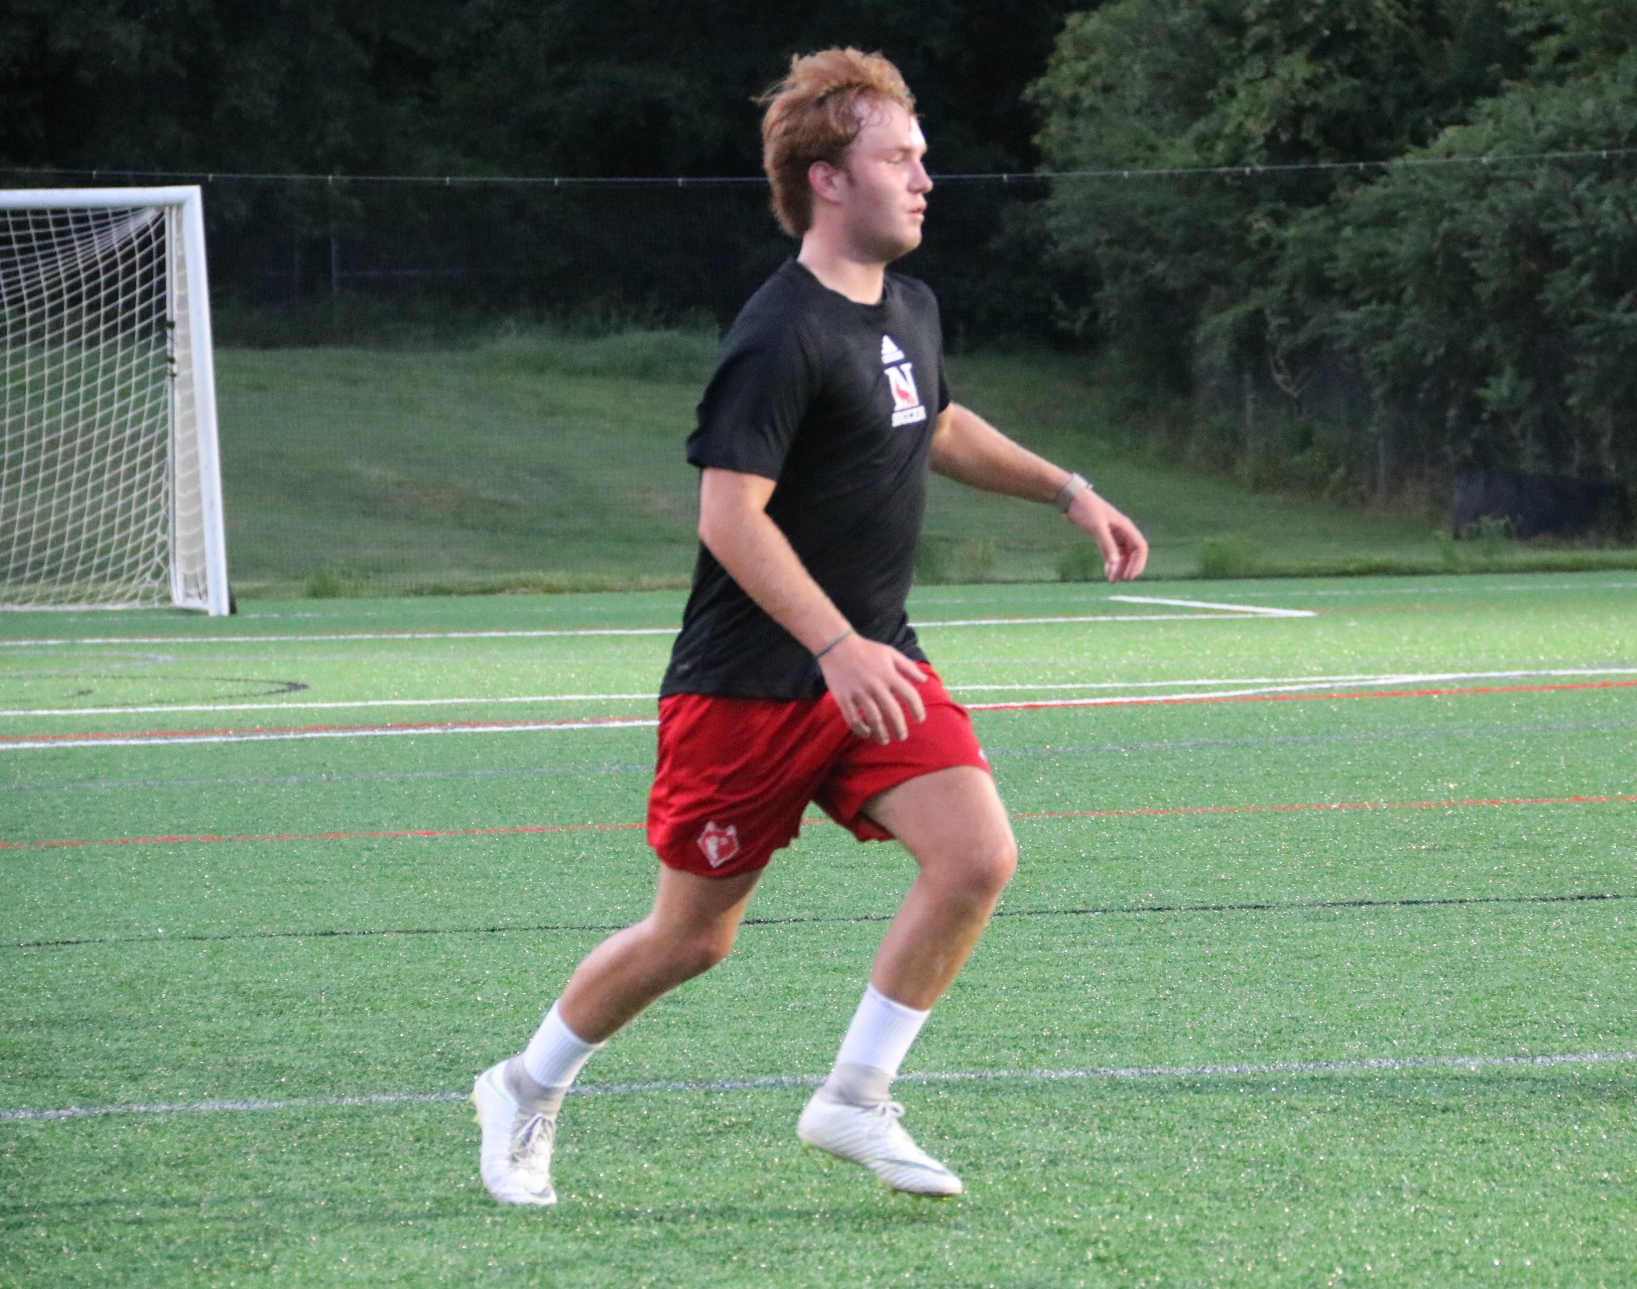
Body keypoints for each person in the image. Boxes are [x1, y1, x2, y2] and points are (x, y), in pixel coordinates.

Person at [473, 47, 1149, 1204]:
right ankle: (525, 1086)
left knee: (977, 855)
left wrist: (1065, 488)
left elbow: (930, 421)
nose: (925, 178)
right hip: (748, 686)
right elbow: (727, 517)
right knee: (692, 939)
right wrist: (831, 644)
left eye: (923, 156)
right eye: (899, 158)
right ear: (828, 178)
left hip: (874, 665)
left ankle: (852, 1100)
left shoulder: (907, 305)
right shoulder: (776, 333)